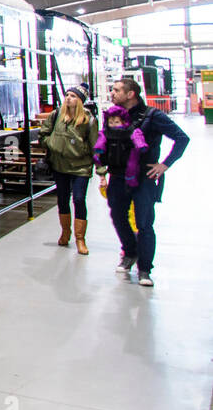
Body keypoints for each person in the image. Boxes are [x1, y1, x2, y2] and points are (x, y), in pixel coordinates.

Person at [98, 78, 189, 287]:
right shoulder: (113, 116)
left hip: (144, 178)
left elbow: (181, 138)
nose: (113, 93)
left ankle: (145, 269)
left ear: (131, 94)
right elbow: (104, 144)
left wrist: (165, 164)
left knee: (144, 223)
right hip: (118, 177)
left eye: (117, 90)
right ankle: (130, 252)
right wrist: (102, 171)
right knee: (118, 217)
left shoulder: (153, 116)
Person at [40, 84, 98, 254]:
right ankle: (65, 233)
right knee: (62, 199)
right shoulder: (56, 115)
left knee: (79, 199)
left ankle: (80, 239)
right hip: (60, 165)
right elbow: (44, 134)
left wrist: (101, 172)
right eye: (67, 95)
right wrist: (52, 143)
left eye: (73, 96)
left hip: (81, 166)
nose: (68, 98)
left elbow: (96, 145)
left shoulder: (89, 119)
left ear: (80, 100)